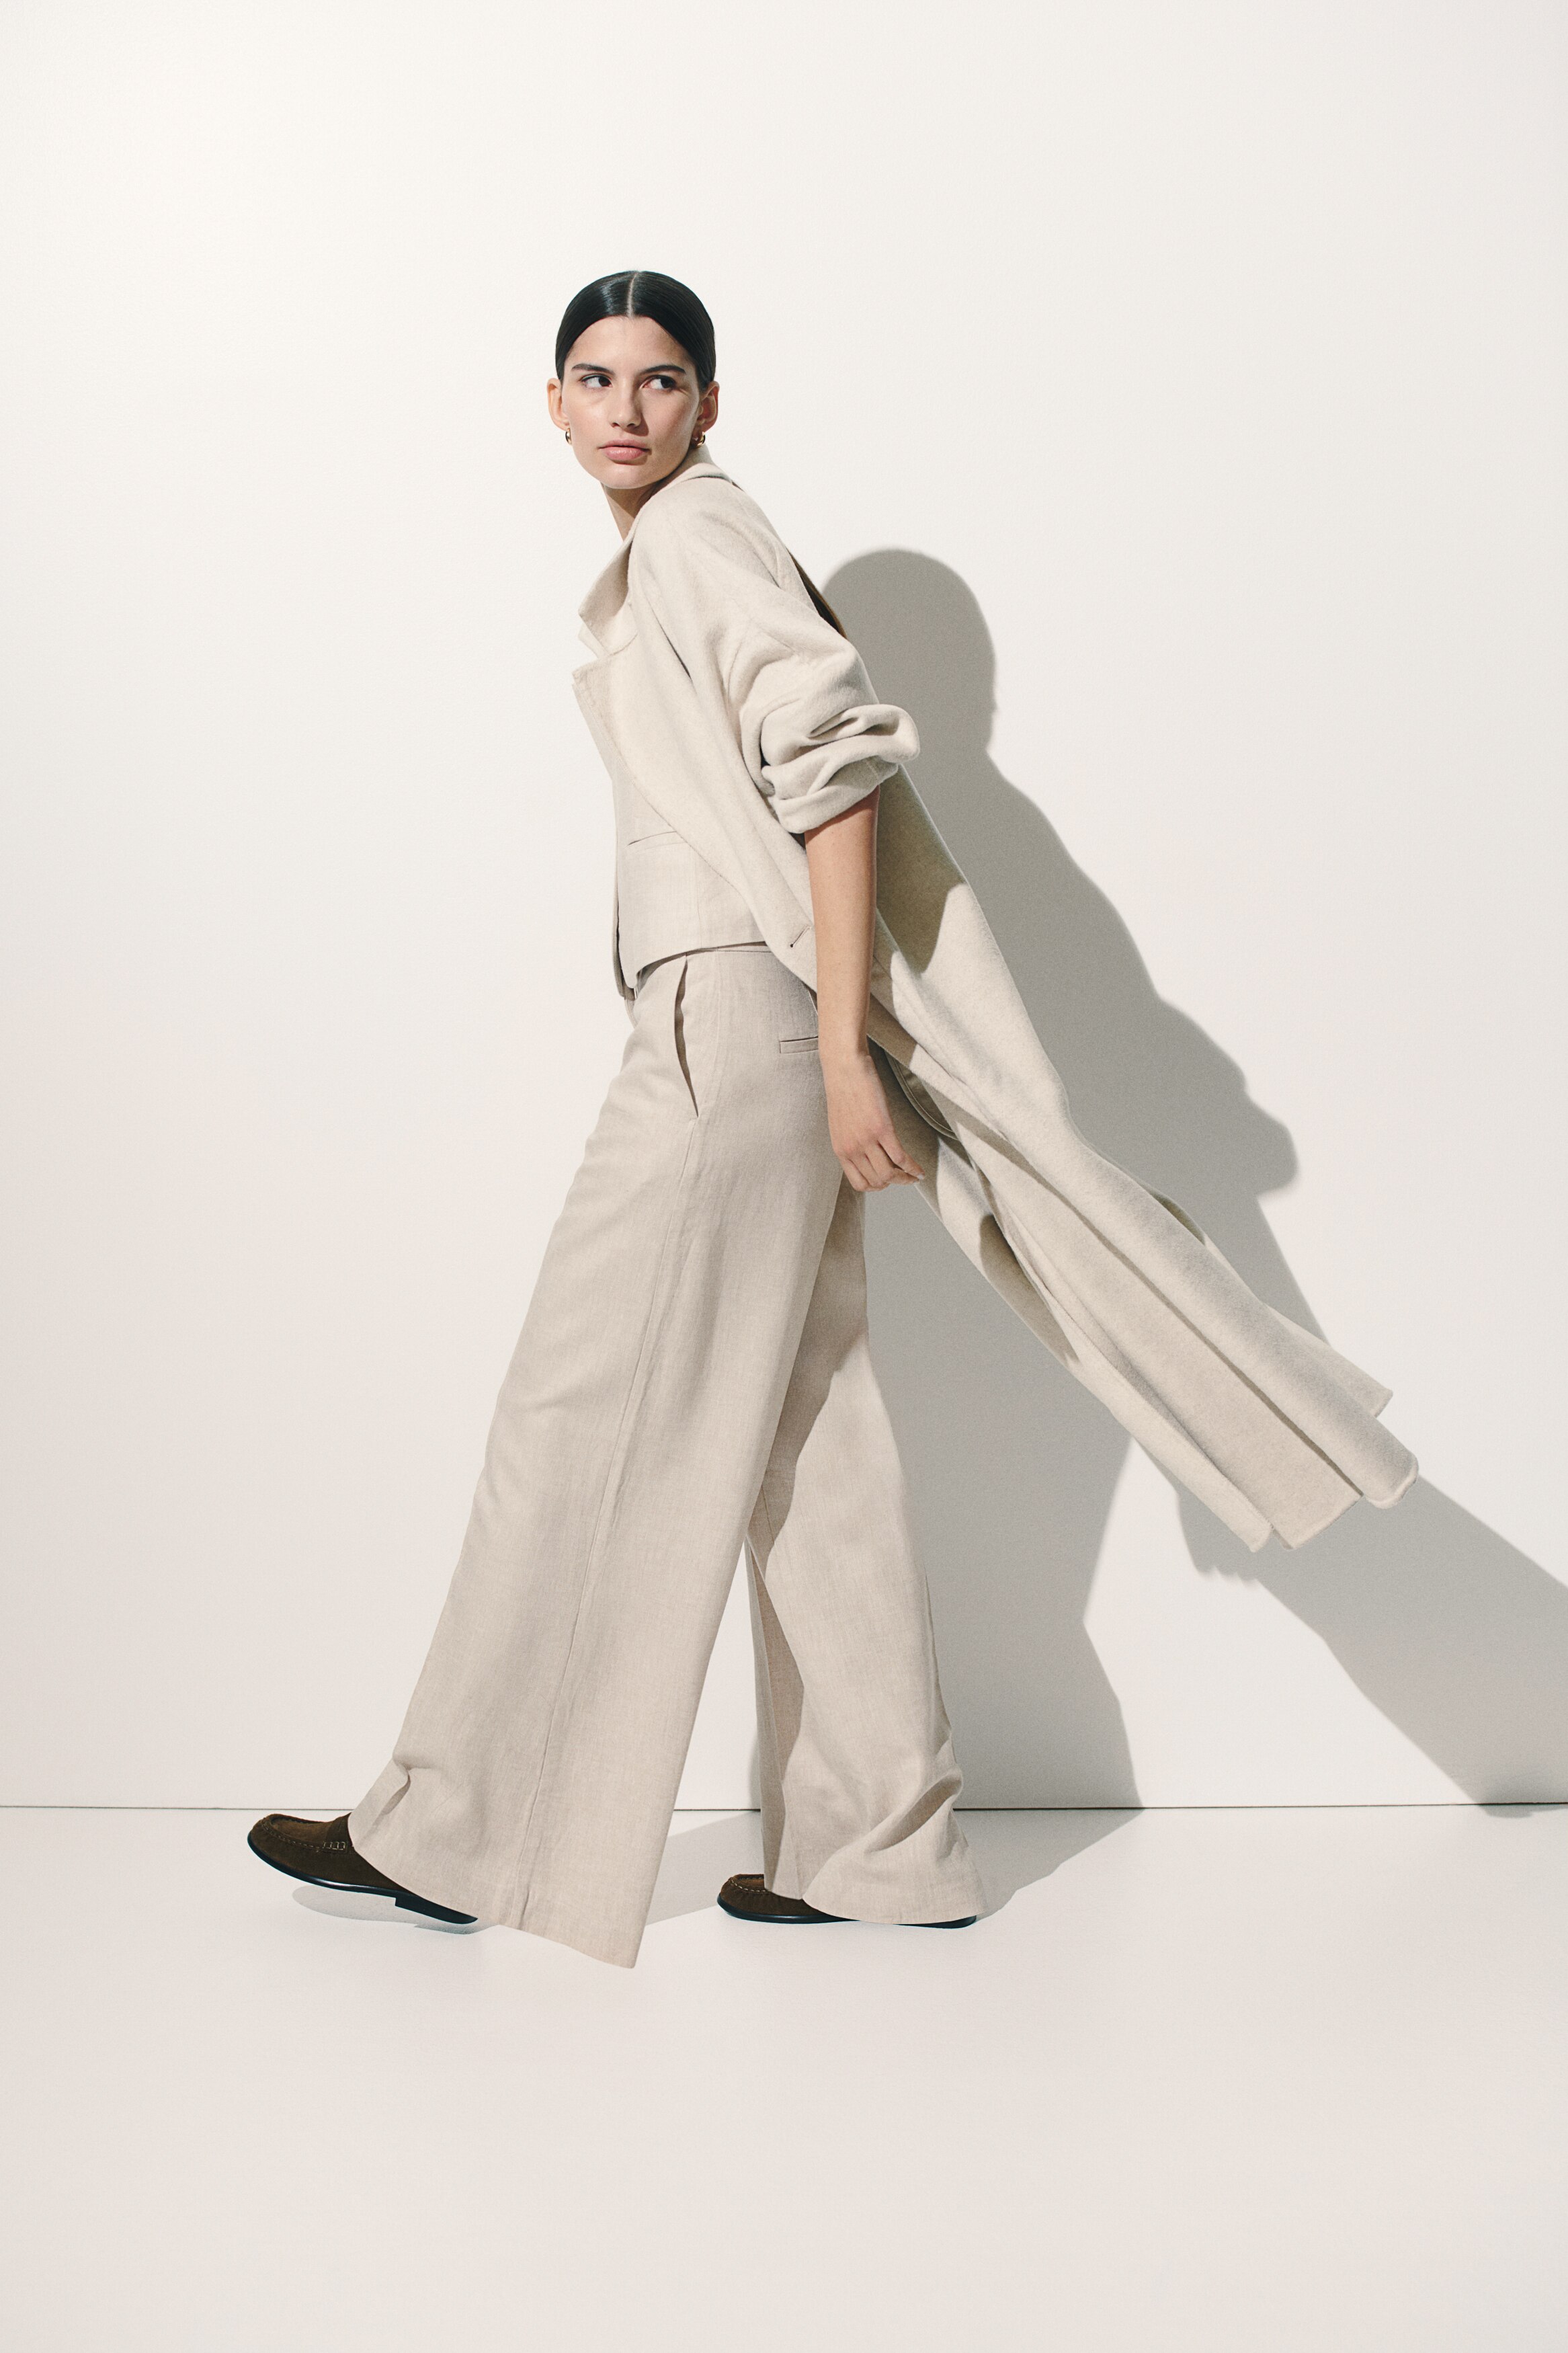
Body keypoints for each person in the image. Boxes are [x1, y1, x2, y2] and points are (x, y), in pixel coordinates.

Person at [249, 271, 1417, 1966]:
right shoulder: (684, 545)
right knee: (813, 1433)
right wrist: (839, 1039)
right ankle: (878, 1846)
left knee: (572, 1407)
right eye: (597, 379)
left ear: (710, 404)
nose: (628, 409)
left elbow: (839, 770)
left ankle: (454, 1830)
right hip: (769, 1021)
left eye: (663, 379)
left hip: (734, 1022)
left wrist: (841, 1051)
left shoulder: (696, 534)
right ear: (553, 404)